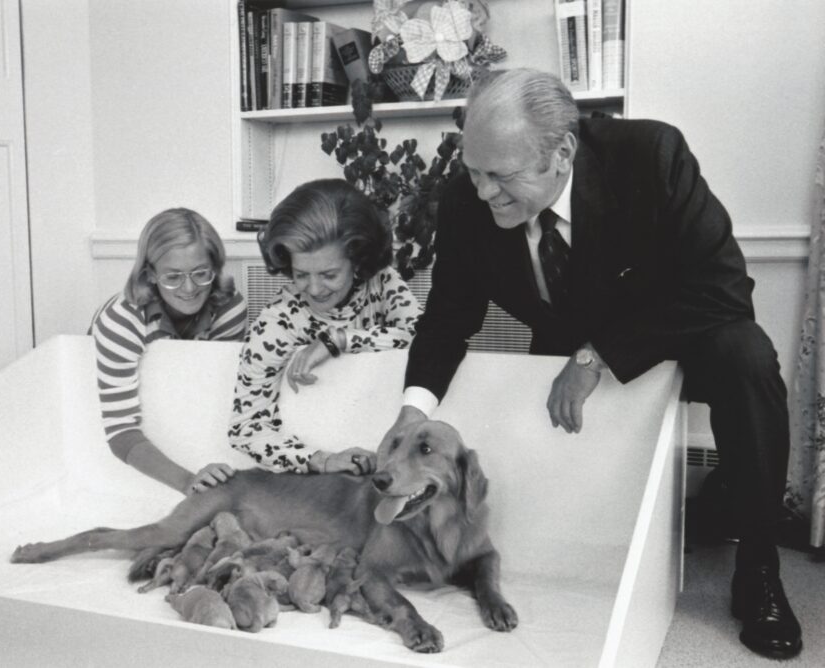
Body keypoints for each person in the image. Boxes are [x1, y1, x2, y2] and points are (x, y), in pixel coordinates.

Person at [382, 68, 802, 659]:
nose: (483, 192)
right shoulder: (463, 200)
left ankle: (758, 567)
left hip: (677, 326)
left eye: (500, 176)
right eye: (473, 172)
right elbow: (449, 315)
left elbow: (725, 288)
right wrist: (412, 410)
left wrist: (596, 356)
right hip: (563, 335)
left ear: (562, 153)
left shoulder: (653, 156)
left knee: (749, 356)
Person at [229, 178, 421, 474]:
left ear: (357, 261)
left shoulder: (383, 283)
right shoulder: (276, 322)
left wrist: (338, 340)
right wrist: (322, 460)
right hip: (321, 472)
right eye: (301, 274)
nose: (315, 289)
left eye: (329, 275)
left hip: (395, 458)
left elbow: (422, 337)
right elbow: (246, 429)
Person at [90, 208, 247, 494]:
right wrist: (188, 482)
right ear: (150, 274)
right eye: (173, 277)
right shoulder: (120, 320)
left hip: (177, 430)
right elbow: (119, 430)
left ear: (215, 267)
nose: (189, 288)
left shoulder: (230, 307)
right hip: (116, 447)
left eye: (201, 273)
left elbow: (215, 394)